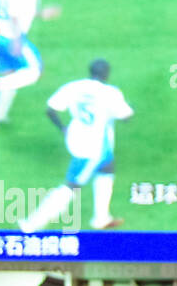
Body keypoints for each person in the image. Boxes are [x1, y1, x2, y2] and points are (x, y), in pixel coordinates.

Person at [20, 59, 132, 233]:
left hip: (76, 137)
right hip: (93, 148)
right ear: (107, 73)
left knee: (108, 168)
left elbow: (50, 109)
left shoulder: (74, 87)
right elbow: (126, 117)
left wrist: (62, 128)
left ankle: (101, 218)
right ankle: (32, 224)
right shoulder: (111, 93)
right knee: (71, 186)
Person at [0, 0, 61, 123]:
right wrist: (17, 40)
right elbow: (14, 14)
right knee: (36, 70)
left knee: (9, 73)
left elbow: (14, 9)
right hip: (9, 37)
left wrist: (41, 14)